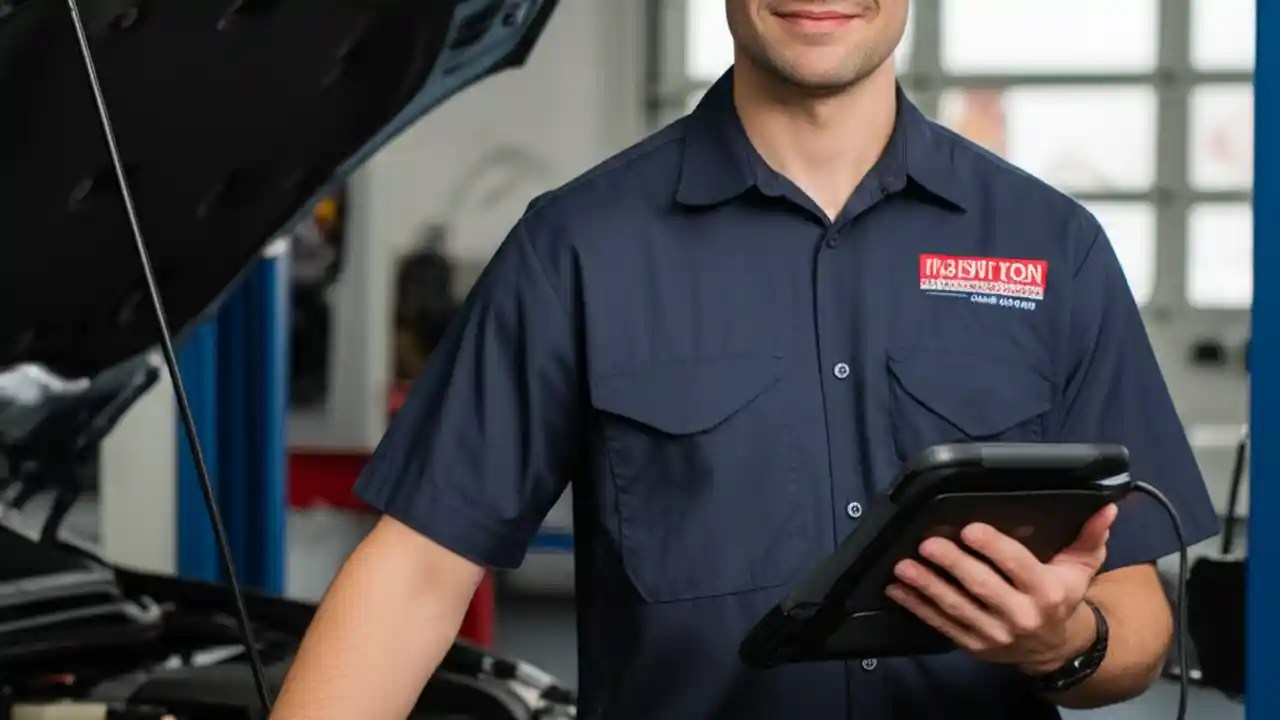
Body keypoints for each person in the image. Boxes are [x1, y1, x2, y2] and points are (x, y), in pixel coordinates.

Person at [271, 1, 1220, 718]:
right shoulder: (579, 248)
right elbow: (416, 578)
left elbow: (1134, 611)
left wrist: (1064, 639)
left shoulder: (1054, 248)